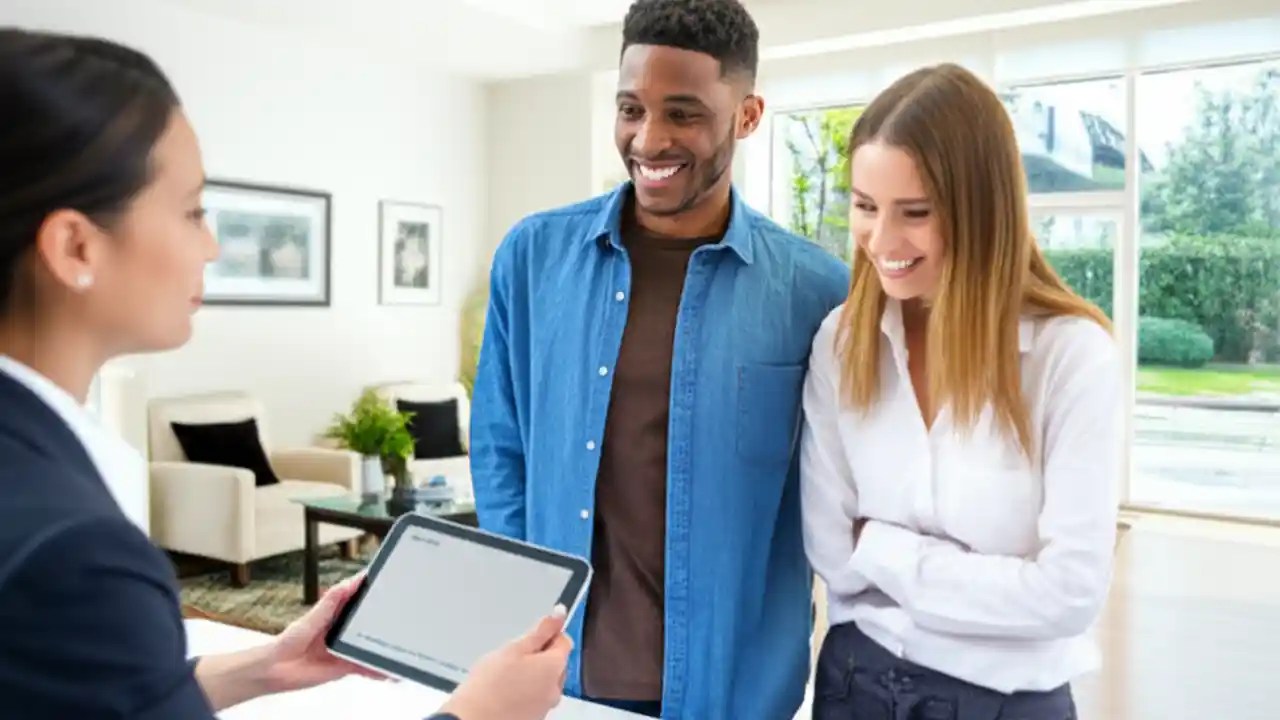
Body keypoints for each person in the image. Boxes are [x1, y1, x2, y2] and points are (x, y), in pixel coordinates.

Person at [0, 27, 572, 720]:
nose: (211, 246)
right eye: (192, 211)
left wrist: (264, 668)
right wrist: (483, 713)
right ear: (75, 246)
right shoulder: (72, 553)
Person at [468, 0, 851, 717]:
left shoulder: (818, 292)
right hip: (558, 683)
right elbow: (500, 449)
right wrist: (521, 616)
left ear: (747, 115)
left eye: (683, 113)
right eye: (630, 109)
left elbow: (837, 495)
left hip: (734, 692)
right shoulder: (532, 259)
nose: (649, 139)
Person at [800, 63, 1121, 719]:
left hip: (1008, 703)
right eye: (865, 207)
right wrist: (982, 578)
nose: (882, 242)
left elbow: (1068, 593)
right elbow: (832, 548)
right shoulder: (842, 339)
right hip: (856, 685)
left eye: (914, 213)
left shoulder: (1070, 356)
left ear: (981, 209)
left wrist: (884, 547)